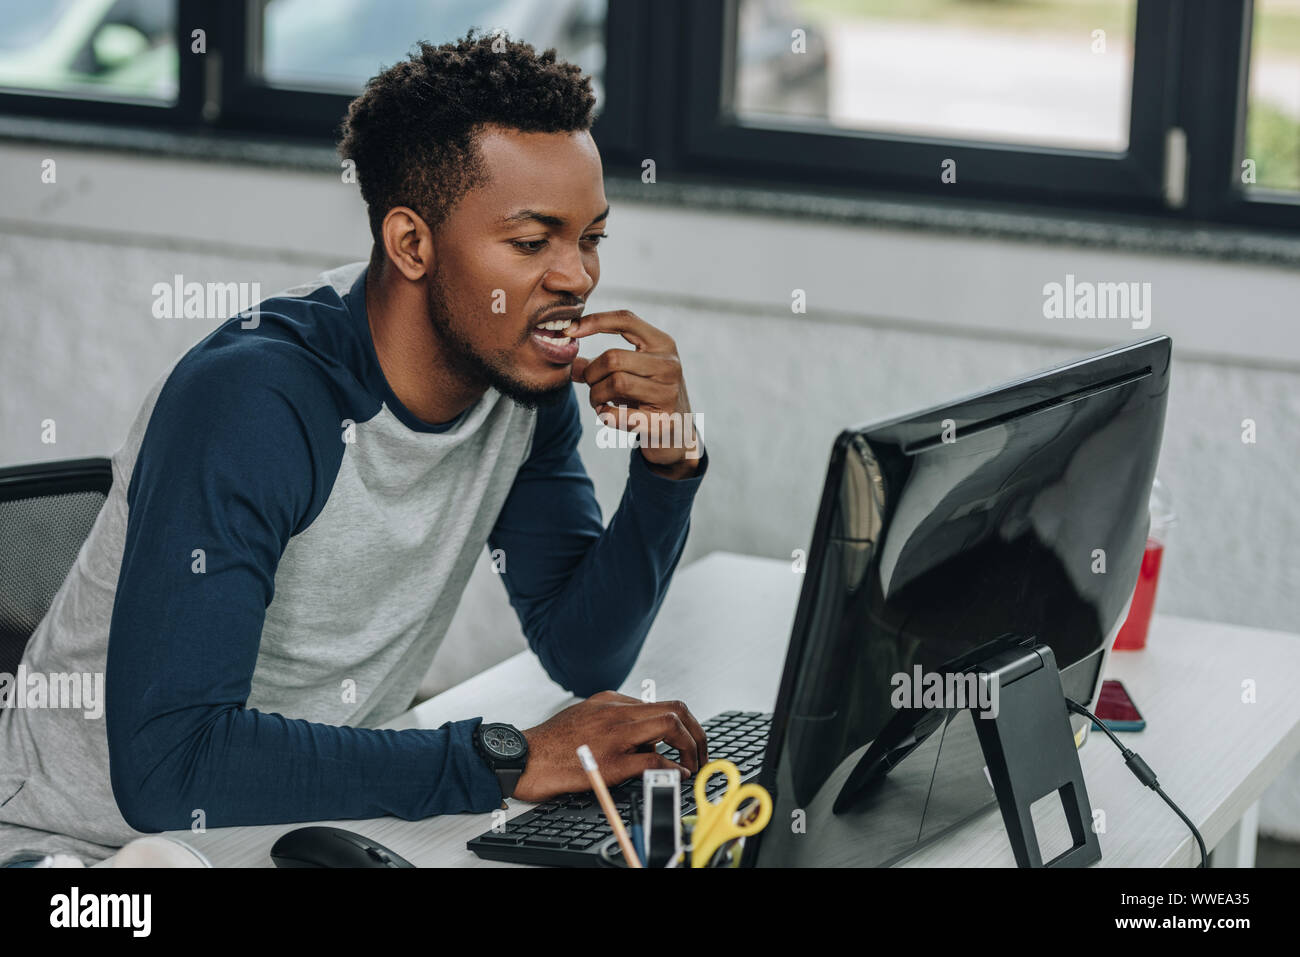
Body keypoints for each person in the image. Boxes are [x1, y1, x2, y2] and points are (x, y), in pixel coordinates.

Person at [0, 29, 708, 866]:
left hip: (318, 824)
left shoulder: (515, 377)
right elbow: (168, 769)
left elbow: (585, 647)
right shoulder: (255, 401)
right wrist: (505, 756)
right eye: (531, 242)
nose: (577, 277)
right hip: (93, 851)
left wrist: (671, 464)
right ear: (412, 244)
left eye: (590, 238)